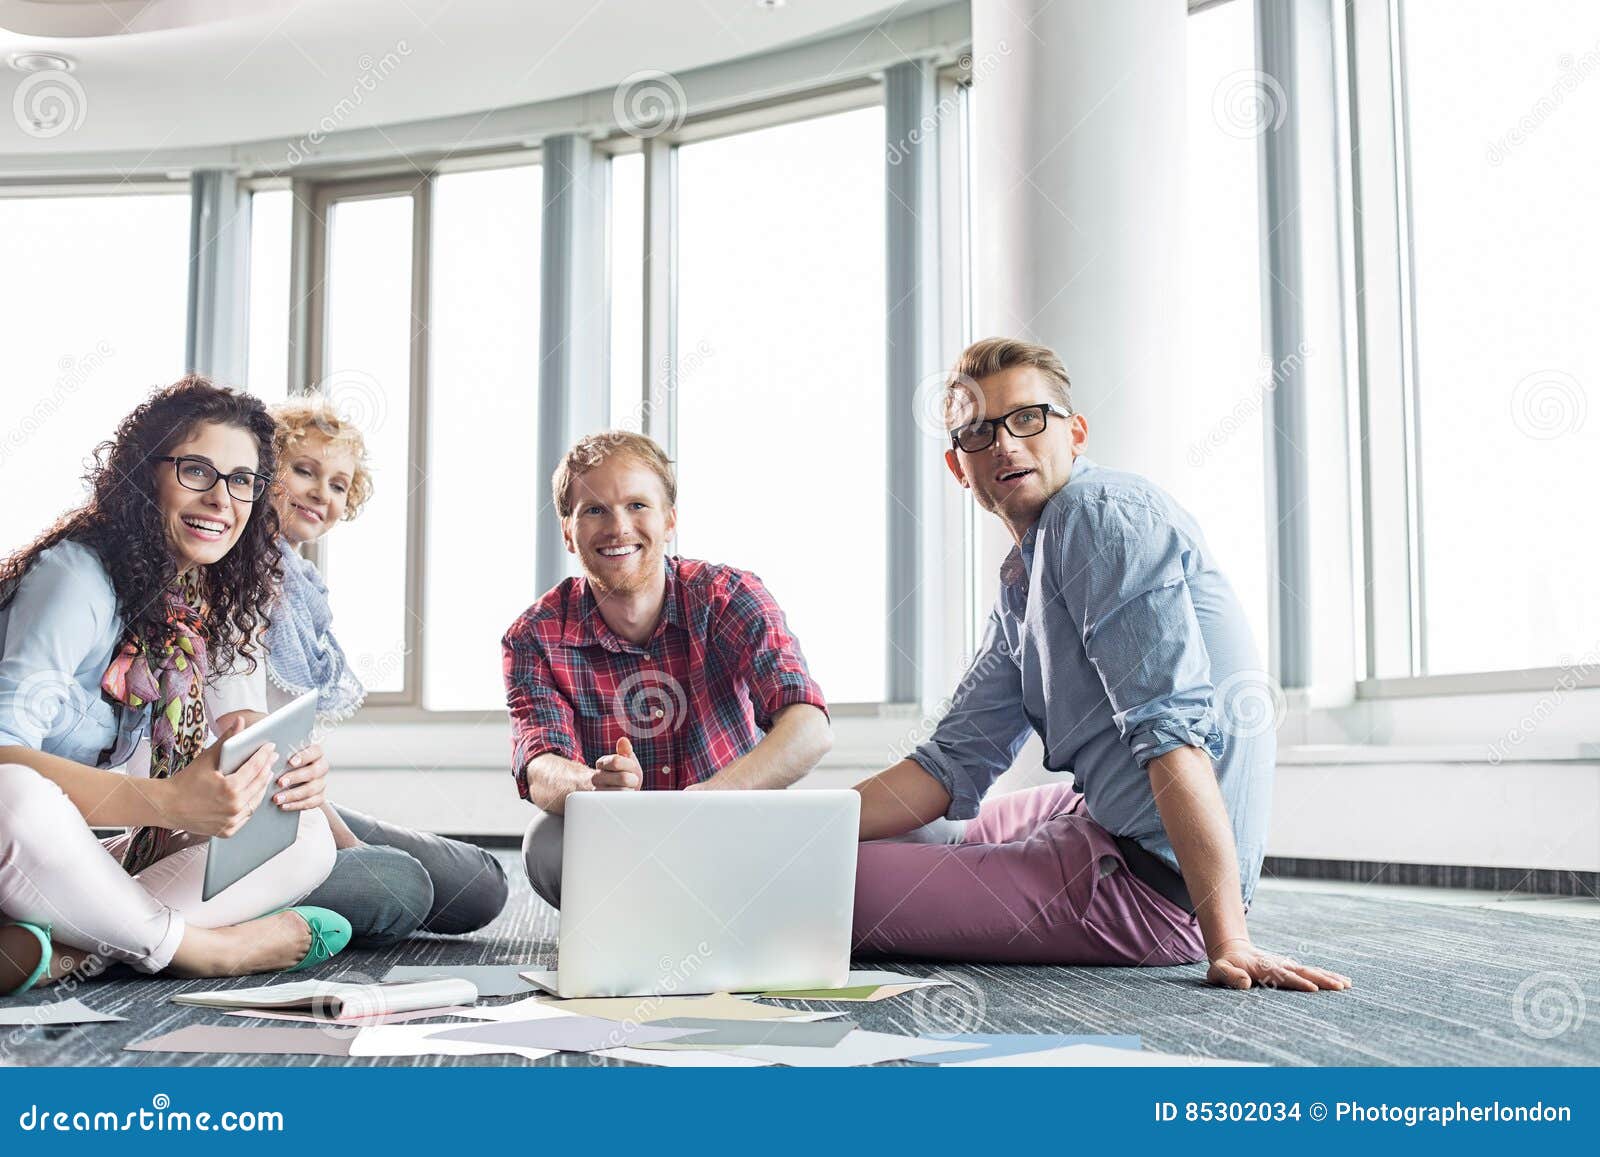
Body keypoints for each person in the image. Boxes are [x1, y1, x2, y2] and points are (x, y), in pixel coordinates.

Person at [851, 338, 1352, 992]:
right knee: (864, 842)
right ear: (958, 467)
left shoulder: (1098, 517)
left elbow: (1171, 734)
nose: (1004, 445)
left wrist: (1229, 941)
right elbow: (952, 763)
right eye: (978, 432)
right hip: (1094, 816)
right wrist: (796, 827)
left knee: (828, 886)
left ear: (1075, 432)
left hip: (1150, 886)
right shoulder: (1022, 577)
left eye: (1027, 418)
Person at [0, 377, 350, 995]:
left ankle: (78, 950)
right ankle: (203, 950)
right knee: (14, 793)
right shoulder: (76, 577)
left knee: (302, 830)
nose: (221, 498)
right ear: (144, 474)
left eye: (242, 480)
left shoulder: (183, 599)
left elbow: (192, 764)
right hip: (18, 832)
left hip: (67, 857)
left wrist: (267, 772)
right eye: (196, 471)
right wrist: (166, 802)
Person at [209, 398, 509, 946]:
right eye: (305, 470)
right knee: (402, 887)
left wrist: (340, 831)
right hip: (244, 808)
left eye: (339, 484)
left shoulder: (301, 586)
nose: (321, 493)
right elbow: (258, 752)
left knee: (483, 884)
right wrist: (350, 845)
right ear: (263, 472)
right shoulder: (234, 574)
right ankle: (225, 915)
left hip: (293, 798)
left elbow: (295, 757)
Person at [502, 431, 832, 908]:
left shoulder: (728, 596)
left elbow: (809, 728)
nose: (618, 527)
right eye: (594, 510)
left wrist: (705, 801)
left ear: (670, 520)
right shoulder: (534, 635)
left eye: (637, 505)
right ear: (568, 531)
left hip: (732, 826)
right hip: (622, 845)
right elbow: (540, 767)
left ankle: (722, 910)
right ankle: (644, 918)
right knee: (547, 844)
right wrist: (593, 784)